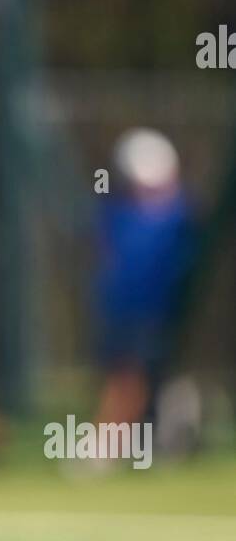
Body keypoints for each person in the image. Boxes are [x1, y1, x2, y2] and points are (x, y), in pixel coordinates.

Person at [95, 128, 197, 446]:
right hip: (124, 313)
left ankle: (111, 445)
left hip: (165, 313)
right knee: (126, 374)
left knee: (140, 377)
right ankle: (123, 442)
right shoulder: (115, 214)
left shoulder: (183, 215)